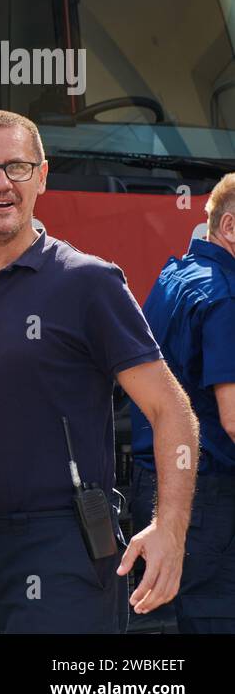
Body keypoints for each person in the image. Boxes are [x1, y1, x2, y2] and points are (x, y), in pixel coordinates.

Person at [0, 109, 198, 633]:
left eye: (18, 167)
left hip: (62, 553)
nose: (2, 182)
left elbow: (171, 409)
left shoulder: (87, 283)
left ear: (42, 177)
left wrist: (170, 529)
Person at [129, 172, 235, 632]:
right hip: (207, 495)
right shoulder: (227, 298)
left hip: (154, 483)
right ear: (230, 227)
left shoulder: (175, 274)